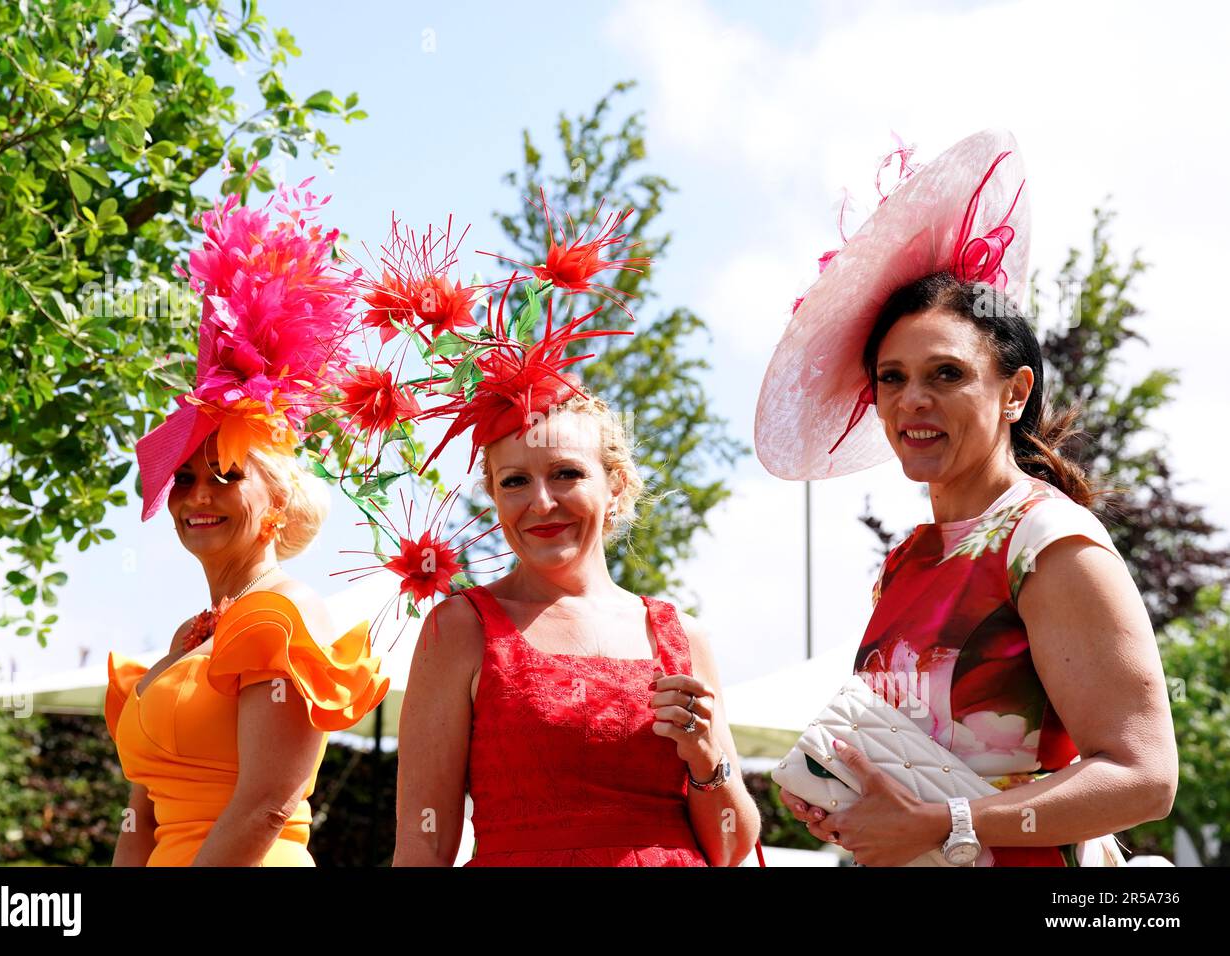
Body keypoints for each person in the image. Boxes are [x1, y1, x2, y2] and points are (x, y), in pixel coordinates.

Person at [754, 130, 1178, 866]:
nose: (912, 401)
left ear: (1015, 392)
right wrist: (843, 789)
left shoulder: (1048, 541)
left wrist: (946, 823)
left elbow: (1144, 778)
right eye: (891, 378)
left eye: (946, 374)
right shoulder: (907, 561)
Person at [104, 184, 388, 866]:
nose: (198, 494)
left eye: (224, 475)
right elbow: (136, 818)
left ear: (281, 502)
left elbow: (267, 805)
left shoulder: (281, 619)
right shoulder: (195, 637)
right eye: (185, 477)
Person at [393, 383, 761, 866]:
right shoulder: (461, 630)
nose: (541, 503)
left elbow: (732, 849)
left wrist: (708, 756)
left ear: (617, 486)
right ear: (494, 496)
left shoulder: (681, 636)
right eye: (514, 481)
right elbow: (424, 842)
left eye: (566, 473)